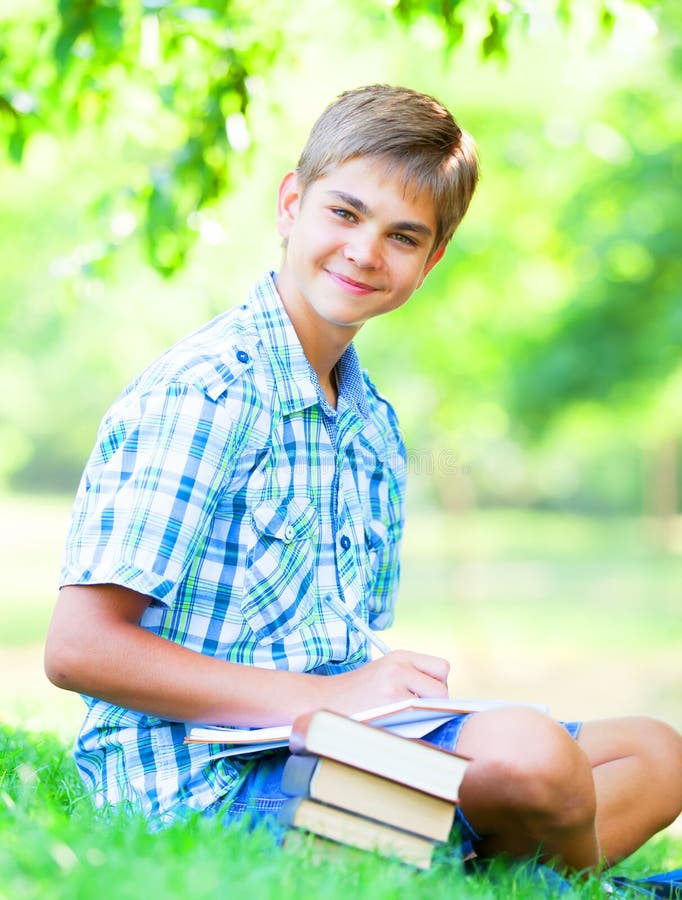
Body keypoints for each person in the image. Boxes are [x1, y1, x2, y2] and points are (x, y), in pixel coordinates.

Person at [44, 84, 681, 872]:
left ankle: (481, 865)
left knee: (658, 755)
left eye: (403, 236)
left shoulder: (370, 423)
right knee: (531, 759)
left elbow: (335, 658)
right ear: (291, 204)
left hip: (336, 749)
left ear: (431, 260)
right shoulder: (208, 391)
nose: (364, 251)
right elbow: (78, 650)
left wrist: (372, 696)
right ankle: (551, 879)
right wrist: (330, 698)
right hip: (208, 782)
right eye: (344, 214)